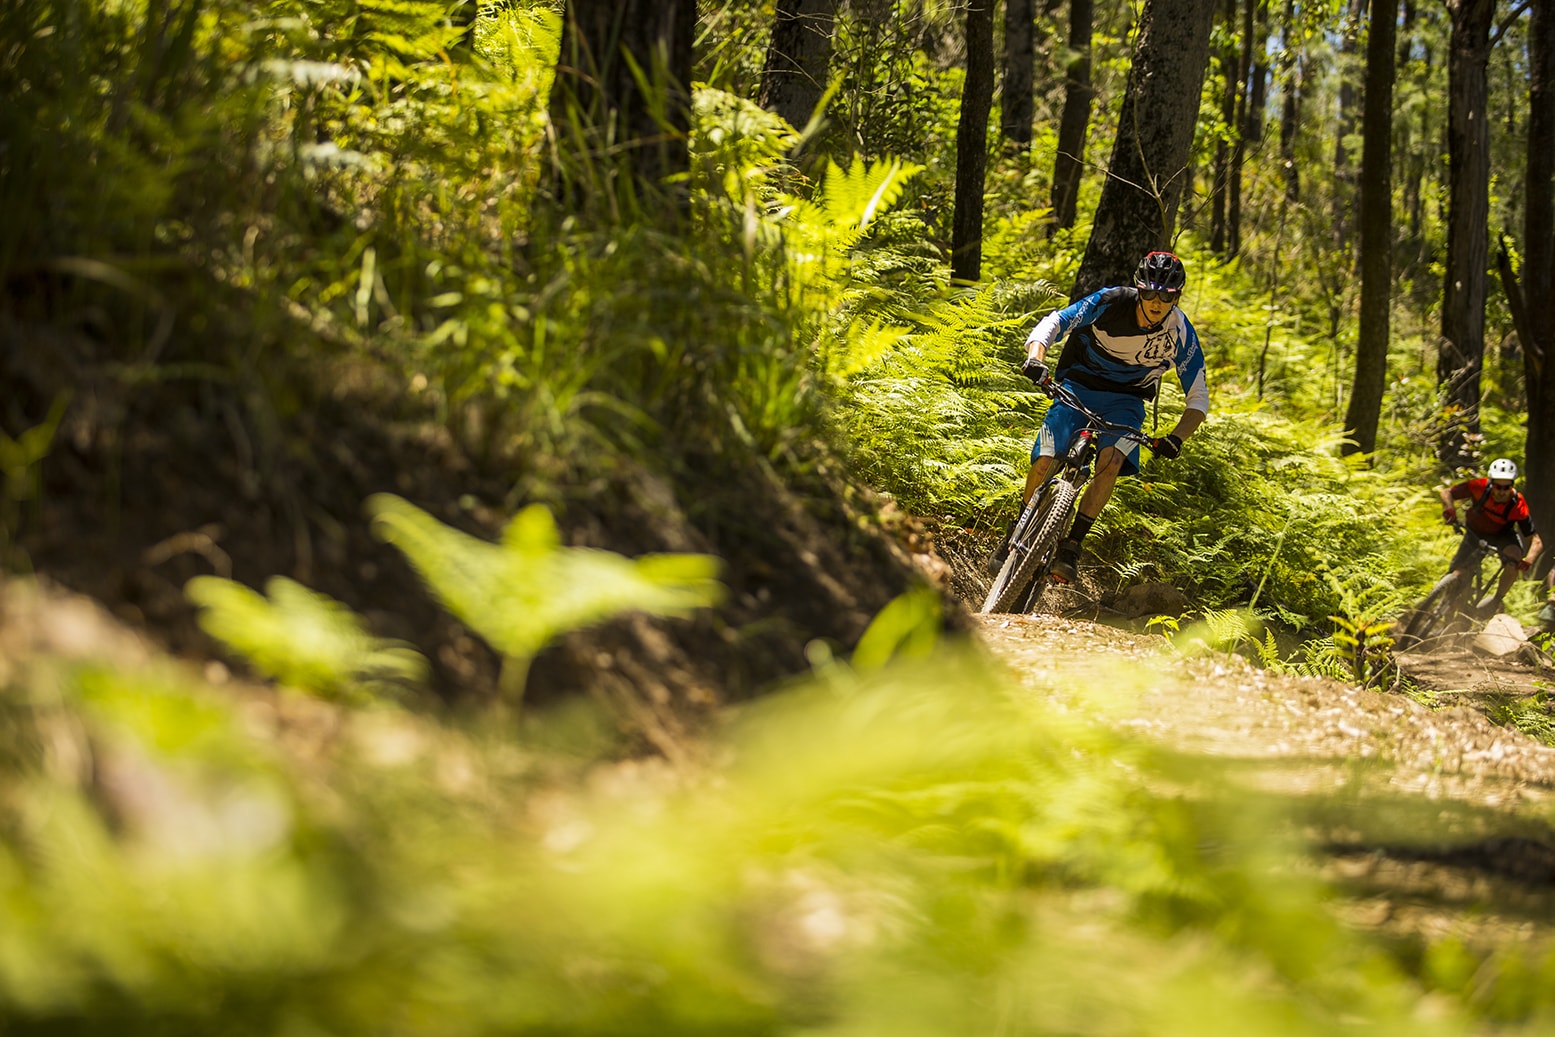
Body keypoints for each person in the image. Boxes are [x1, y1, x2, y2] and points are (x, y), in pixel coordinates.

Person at [987, 251, 1209, 584]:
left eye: (1167, 295)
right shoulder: (1111, 301)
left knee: (1112, 460)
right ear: (1138, 288)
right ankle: (1017, 528)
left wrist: (1177, 438)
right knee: (1046, 460)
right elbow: (1056, 322)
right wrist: (1036, 359)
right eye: (1149, 292)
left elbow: (1199, 398)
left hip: (1127, 400)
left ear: (1176, 297)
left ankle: (1072, 545)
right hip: (1079, 385)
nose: (1157, 301)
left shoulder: (1180, 333)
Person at [1438, 457, 1543, 615]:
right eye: (1497, 486)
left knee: (1513, 558)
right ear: (1491, 483)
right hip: (1475, 532)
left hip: (1502, 535)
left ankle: (1496, 599)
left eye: (1506, 487)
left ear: (1512, 486)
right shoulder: (1478, 486)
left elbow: (1536, 540)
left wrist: (1528, 561)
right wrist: (1450, 509)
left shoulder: (1517, 504)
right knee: (1458, 573)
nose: (1501, 491)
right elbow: (1446, 493)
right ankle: (1443, 609)